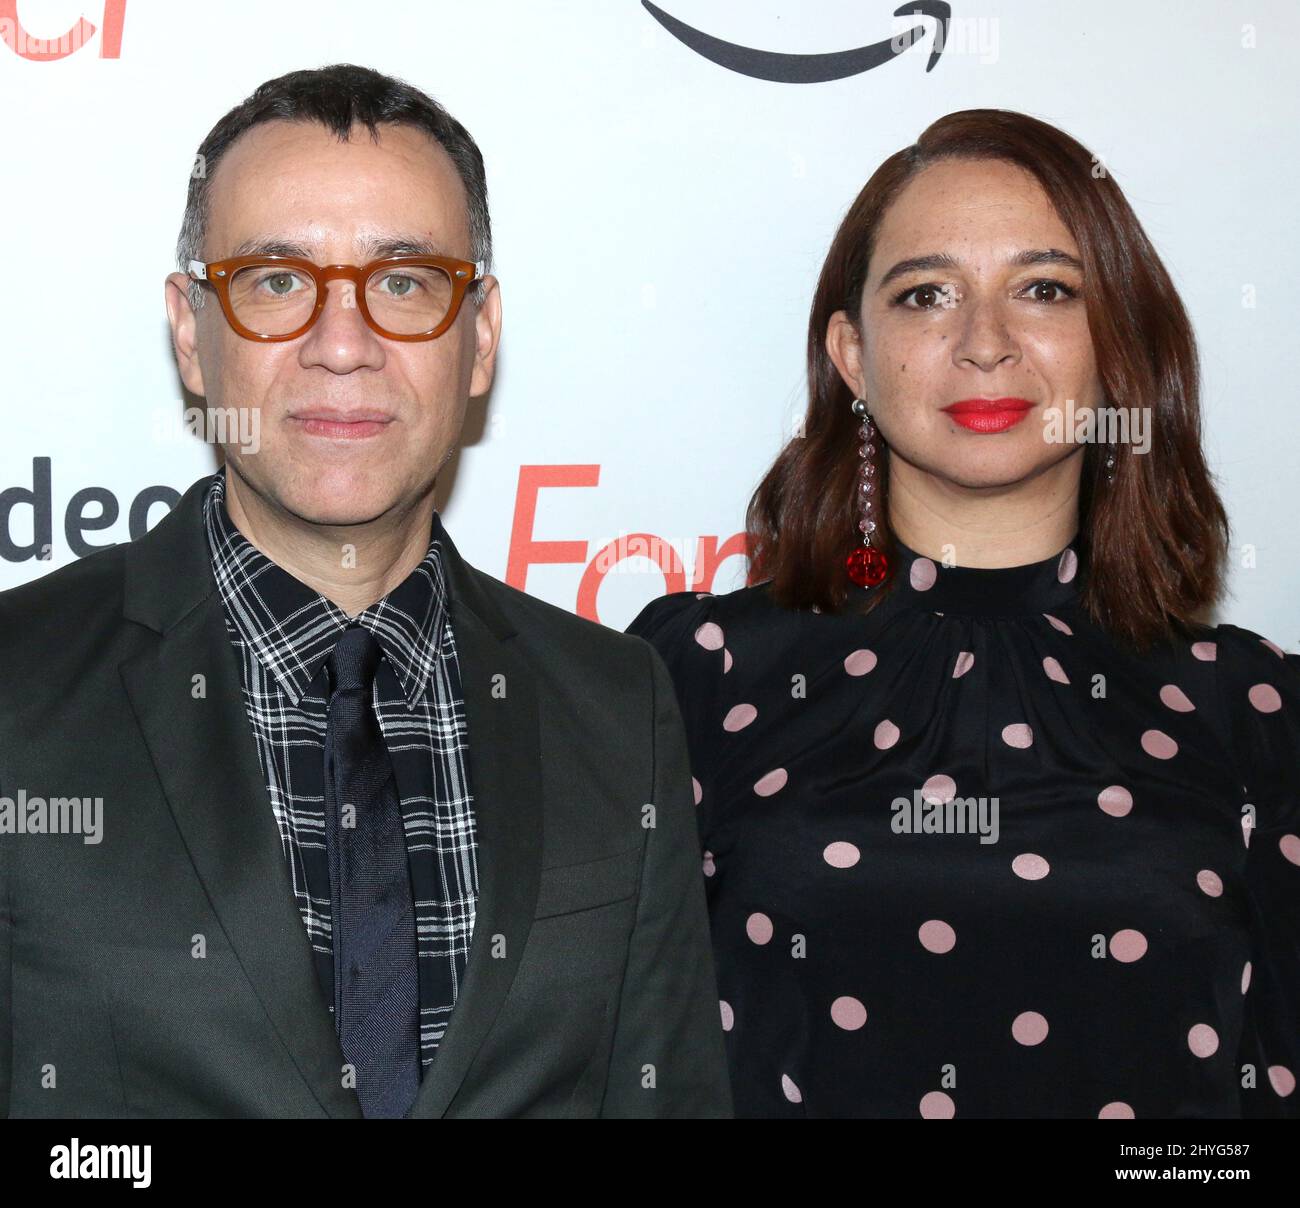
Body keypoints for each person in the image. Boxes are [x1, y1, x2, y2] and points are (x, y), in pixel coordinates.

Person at [0, 63, 731, 1119]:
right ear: (187, 333)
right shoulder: (19, 688)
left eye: (403, 282)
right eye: (275, 280)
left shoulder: (619, 704)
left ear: (478, 337)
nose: (342, 346)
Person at [628, 108, 1299, 1119]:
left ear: (1114, 344)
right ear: (852, 355)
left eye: (1043, 289)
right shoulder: (696, 669)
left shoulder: (1254, 706)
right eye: (926, 293)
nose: (984, 343)